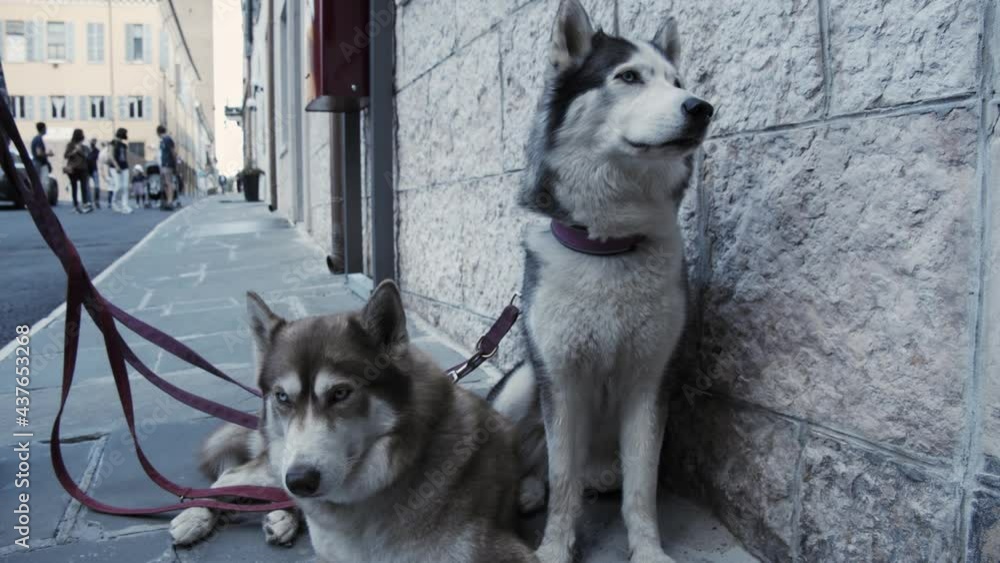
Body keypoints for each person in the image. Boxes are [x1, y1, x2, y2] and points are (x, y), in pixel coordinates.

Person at [63, 129, 93, 213]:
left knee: (84, 186)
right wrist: (74, 151)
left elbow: (87, 156)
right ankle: (76, 205)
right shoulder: (70, 145)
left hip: (83, 168)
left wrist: (80, 151)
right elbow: (65, 156)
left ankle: (84, 204)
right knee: (74, 186)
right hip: (73, 168)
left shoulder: (84, 147)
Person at [109, 128, 132, 214]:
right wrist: (116, 166)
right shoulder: (113, 143)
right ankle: (114, 202)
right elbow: (111, 156)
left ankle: (124, 205)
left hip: (124, 167)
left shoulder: (124, 145)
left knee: (125, 187)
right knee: (118, 186)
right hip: (115, 167)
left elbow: (125, 157)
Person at [157, 125, 177, 210]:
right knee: (165, 183)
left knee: (168, 183)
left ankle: (170, 201)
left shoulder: (168, 139)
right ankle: (167, 201)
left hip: (168, 163)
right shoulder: (162, 141)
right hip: (164, 164)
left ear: (158, 133)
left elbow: (173, 152)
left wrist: (174, 163)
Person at [30, 122, 53, 194]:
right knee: (43, 183)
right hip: (39, 163)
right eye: (45, 128)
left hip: (37, 162)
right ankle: (40, 197)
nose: (46, 130)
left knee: (38, 182)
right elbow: (39, 153)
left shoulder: (36, 139)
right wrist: (48, 154)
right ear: (43, 129)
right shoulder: (38, 139)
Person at [87, 138, 101, 209]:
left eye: (94, 142)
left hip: (94, 169)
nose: (93, 143)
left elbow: (98, 158)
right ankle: (89, 201)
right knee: (87, 186)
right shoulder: (86, 150)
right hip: (87, 170)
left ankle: (96, 201)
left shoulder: (97, 151)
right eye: (92, 141)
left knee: (97, 186)